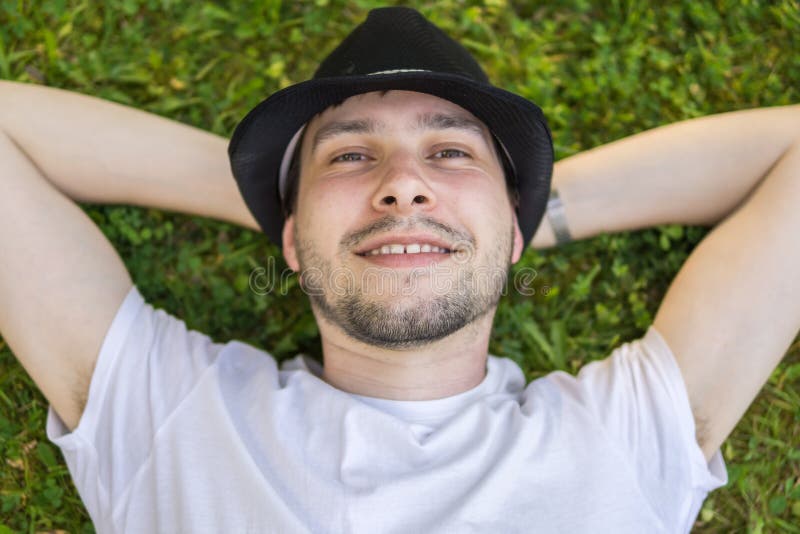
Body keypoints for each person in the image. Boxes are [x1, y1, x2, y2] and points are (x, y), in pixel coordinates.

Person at [0, 5, 797, 533]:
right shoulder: (168, 416)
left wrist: (485, 216)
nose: (404, 182)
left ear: (516, 234)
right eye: (353, 155)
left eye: (449, 153)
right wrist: (309, 208)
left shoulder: (628, 438)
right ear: (286, 244)